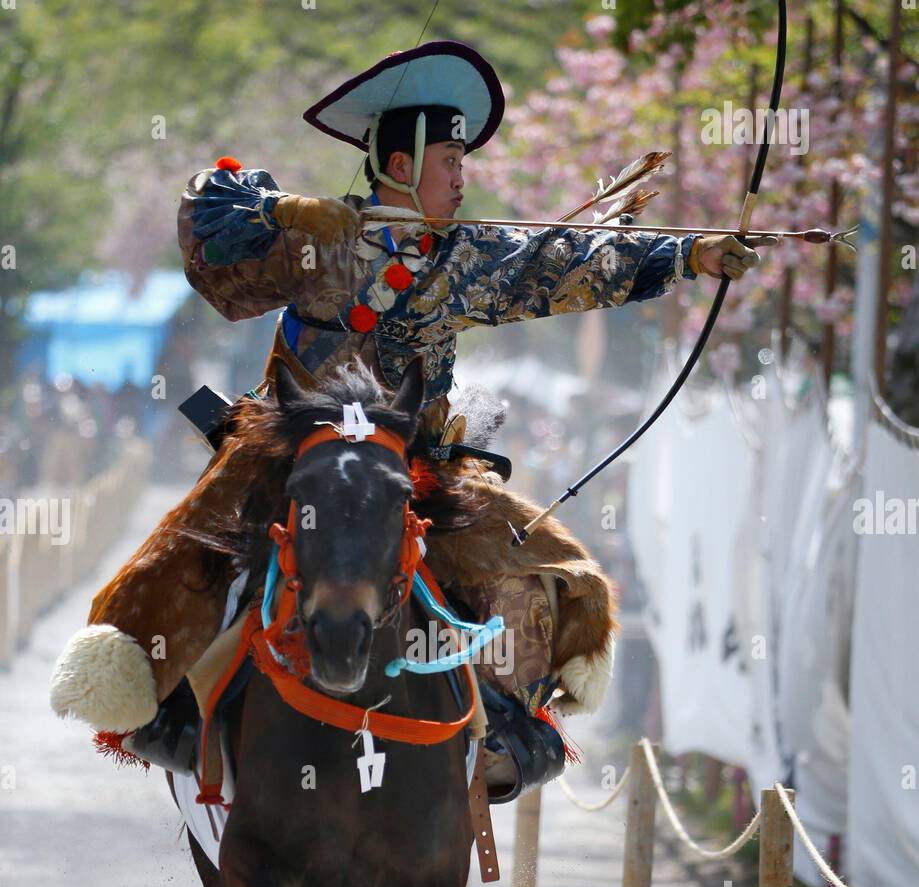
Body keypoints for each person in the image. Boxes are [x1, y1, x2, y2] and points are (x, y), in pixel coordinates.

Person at [50, 40, 770, 798]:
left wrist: (694, 256)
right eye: (447, 163)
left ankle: (513, 731)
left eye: (463, 164)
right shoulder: (318, 239)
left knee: (543, 565)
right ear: (399, 166)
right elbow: (210, 226)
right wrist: (285, 211)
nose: (462, 179)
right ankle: (152, 707)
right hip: (289, 449)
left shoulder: (461, 257)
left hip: (415, 461)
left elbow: (564, 264)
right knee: (195, 546)